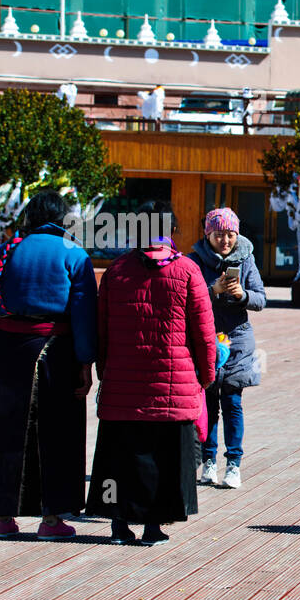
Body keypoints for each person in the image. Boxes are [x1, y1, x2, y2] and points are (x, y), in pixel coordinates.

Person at [0, 189, 96, 539]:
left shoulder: (5, 252)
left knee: (4, 431)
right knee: (57, 434)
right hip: (57, 351)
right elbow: (84, 314)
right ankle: (51, 521)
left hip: (8, 353)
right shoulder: (74, 254)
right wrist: (86, 361)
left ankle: (2, 519)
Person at [85, 231, 216, 545]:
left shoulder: (115, 271)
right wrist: (207, 374)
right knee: (164, 458)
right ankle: (152, 528)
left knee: (119, 459)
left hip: (122, 386)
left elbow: (100, 328)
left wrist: (103, 370)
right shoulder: (187, 269)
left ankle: (118, 525)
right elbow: (204, 329)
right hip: (172, 386)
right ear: (170, 233)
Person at [188, 207, 266, 489]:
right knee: (207, 403)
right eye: (219, 235)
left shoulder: (246, 258)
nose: (225, 241)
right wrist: (213, 290)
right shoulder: (193, 261)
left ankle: (234, 464)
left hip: (238, 339)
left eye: (230, 234)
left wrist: (242, 294)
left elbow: (261, 299)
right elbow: (186, 298)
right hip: (206, 338)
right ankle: (208, 461)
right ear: (207, 234)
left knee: (232, 402)